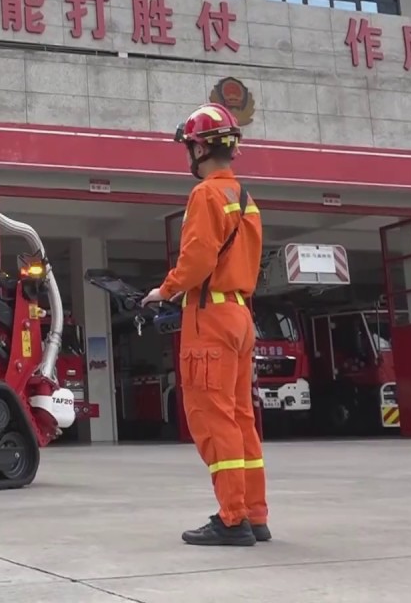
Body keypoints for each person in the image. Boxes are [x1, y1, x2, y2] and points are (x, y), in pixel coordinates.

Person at [139, 102, 268, 547]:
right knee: (241, 417)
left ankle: (232, 519)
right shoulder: (246, 200)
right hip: (241, 315)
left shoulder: (206, 195)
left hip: (210, 317)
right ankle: (255, 513)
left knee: (213, 419)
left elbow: (196, 260)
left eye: (189, 146)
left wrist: (165, 290)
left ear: (199, 148)